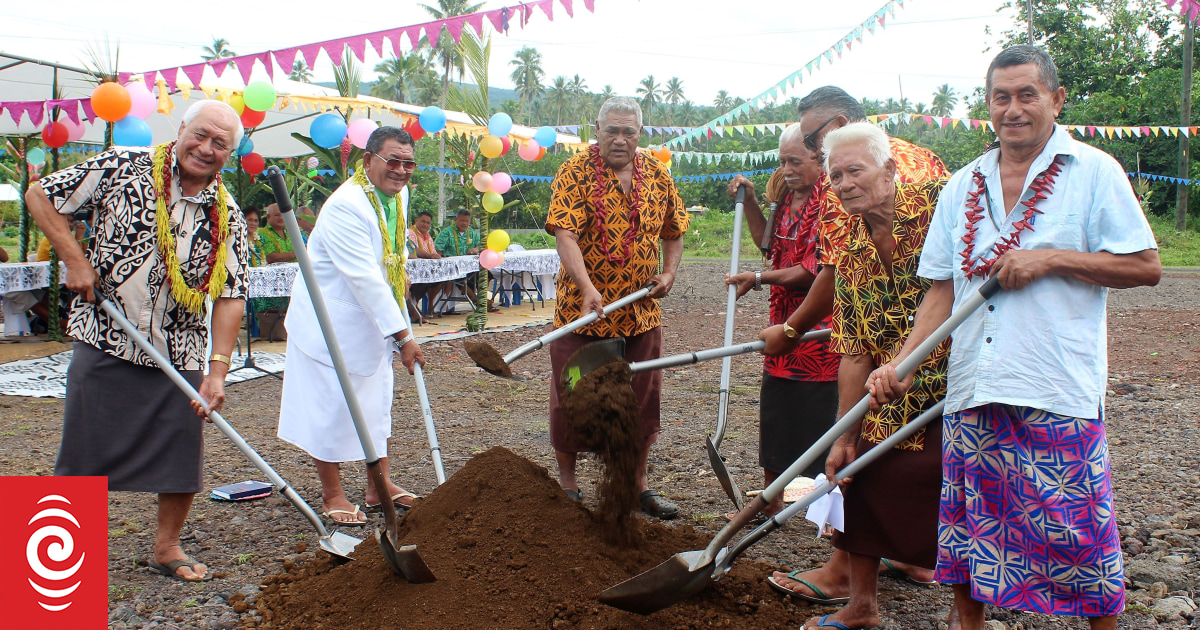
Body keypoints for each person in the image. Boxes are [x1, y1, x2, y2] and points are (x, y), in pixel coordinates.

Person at [867, 46, 1162, 630]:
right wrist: (901, 363)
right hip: (975, 383)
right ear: (988, 105)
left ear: (1055, 100)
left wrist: (1052, 258)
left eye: (1027, 95)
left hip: (1055, 383)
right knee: (971, 528)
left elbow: (1145, 265)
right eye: (1001, 97)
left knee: (1077, 530)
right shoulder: (961, 186)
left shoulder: (1094, 171)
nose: (1014, 109)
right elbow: (941, 294)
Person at [25, 99, 249, 582]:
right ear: (182, 128)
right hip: (107, 333)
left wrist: (217, 371)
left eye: (220, 144)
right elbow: (40, 194)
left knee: (181, 449)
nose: (206, 149)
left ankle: (167, 546)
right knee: (82, 451)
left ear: (230, 154)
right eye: (201, 135)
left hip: (180, 349)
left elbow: (232, 295)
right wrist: (74, 259)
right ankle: (53, 570)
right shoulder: (124, 166)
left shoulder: (226, 214)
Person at [761, 85, 950, 602]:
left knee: (938, 474)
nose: (837, 179)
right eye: (833, 171)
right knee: (857, 457)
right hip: (886, 370)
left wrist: (793, 329)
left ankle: (866, 568)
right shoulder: (853, 224)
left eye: (813, 140)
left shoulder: (931, 194)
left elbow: (955, 286)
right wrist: (845, 429)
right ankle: (884, 577)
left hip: (953, 363)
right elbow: (852, 337)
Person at [546, 96, 689, 519]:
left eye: (629, 131)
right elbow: (565, 236)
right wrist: (589, 289)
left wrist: (669, 274)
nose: (621, 139)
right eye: (613, 130)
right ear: (597, 130)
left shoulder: (659, 176)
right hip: (582, 313)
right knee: (571, 395)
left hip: (641, 315)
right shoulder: (574, 172)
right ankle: (568, 485)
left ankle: (636, 484)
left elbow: (674, 231)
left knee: (643, 401)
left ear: (640, 134)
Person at [278, 126, 425, 526]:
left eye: (407, 163)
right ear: (367, 161)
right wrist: (405, 336)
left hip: (371, 318)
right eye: (391, 161)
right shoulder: (346, 205)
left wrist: (401, 302)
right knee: (331, 406)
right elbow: (364, 278)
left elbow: (391, 256)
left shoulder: (399, 194)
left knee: (376, 404)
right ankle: (333, 493)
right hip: (331, 318)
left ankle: (379, 485)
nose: (400, 171)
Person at [723, 125, 838, 519]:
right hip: (782, 320)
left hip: (820, 324)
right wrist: (752, 200)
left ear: (820, 159)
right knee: (777, 404)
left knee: (820, 408)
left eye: (796, 161)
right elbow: (767, 244)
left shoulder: (833, 202)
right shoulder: (786, 198)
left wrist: (758, 278)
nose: (787, 169)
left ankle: (828, 502)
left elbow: (814, 271)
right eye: (782, 161)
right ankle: (772, 493)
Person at [254, 203, 308, 340]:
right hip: (271, 281)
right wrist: (297, 253)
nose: (281, 217)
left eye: (283, 214)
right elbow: (271, 257)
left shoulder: (291, 233)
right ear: (268, 217)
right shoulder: (262, 234)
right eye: (277, 215)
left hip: (294, 278)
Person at [406, 210, 443, 321]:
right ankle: (413, 309)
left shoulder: (428, 235)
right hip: (408, 268)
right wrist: (426, 257)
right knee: (422, 280)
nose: (425, 225)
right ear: (416, 220)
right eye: (423, 221)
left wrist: (432, 256)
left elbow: (418, 250)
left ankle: (415, 306)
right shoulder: (409, 232)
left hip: (422, 266)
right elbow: (408, 253)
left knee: (437, 278)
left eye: (428, 223)